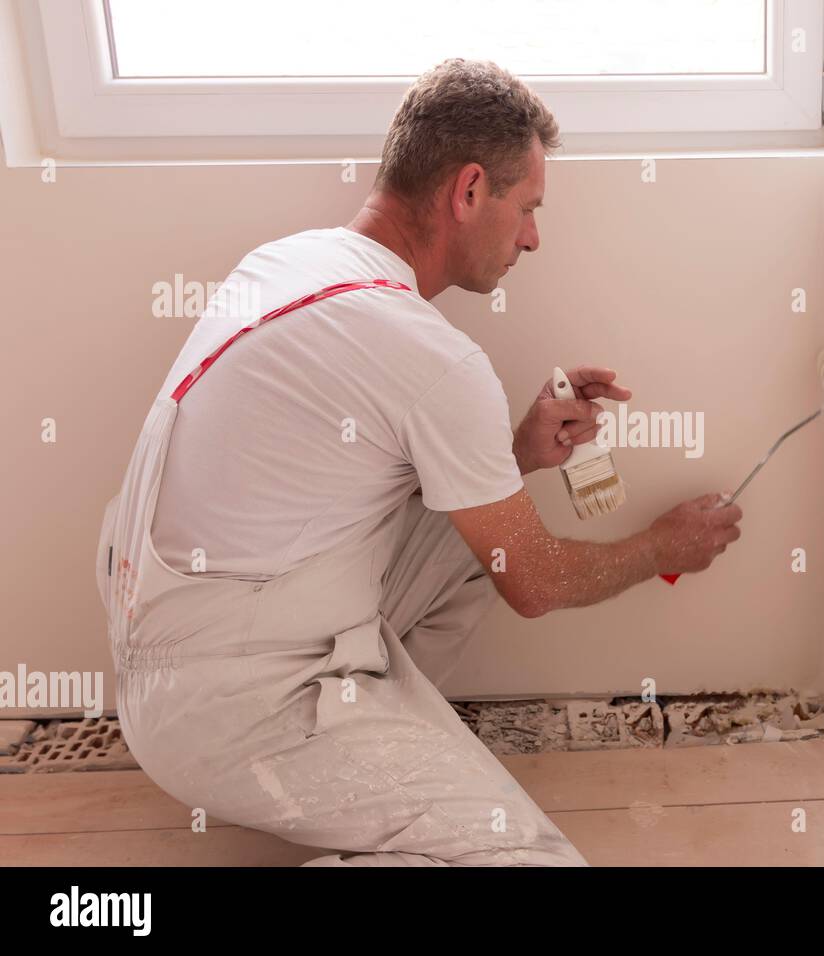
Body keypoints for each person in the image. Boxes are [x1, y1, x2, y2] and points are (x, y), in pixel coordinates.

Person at [95, 58, 743, 866]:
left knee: (476, 540)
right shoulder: (432, 357)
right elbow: (533, 582)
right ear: (469, 191)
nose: (535, 236)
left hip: (169, 631)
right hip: (231, 706)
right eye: (529, 207)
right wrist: (662, 548)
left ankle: (375, 747)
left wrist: (513, 455)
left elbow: (379, 471)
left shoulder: (289, 261)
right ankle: (355, 770)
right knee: (532, 860)